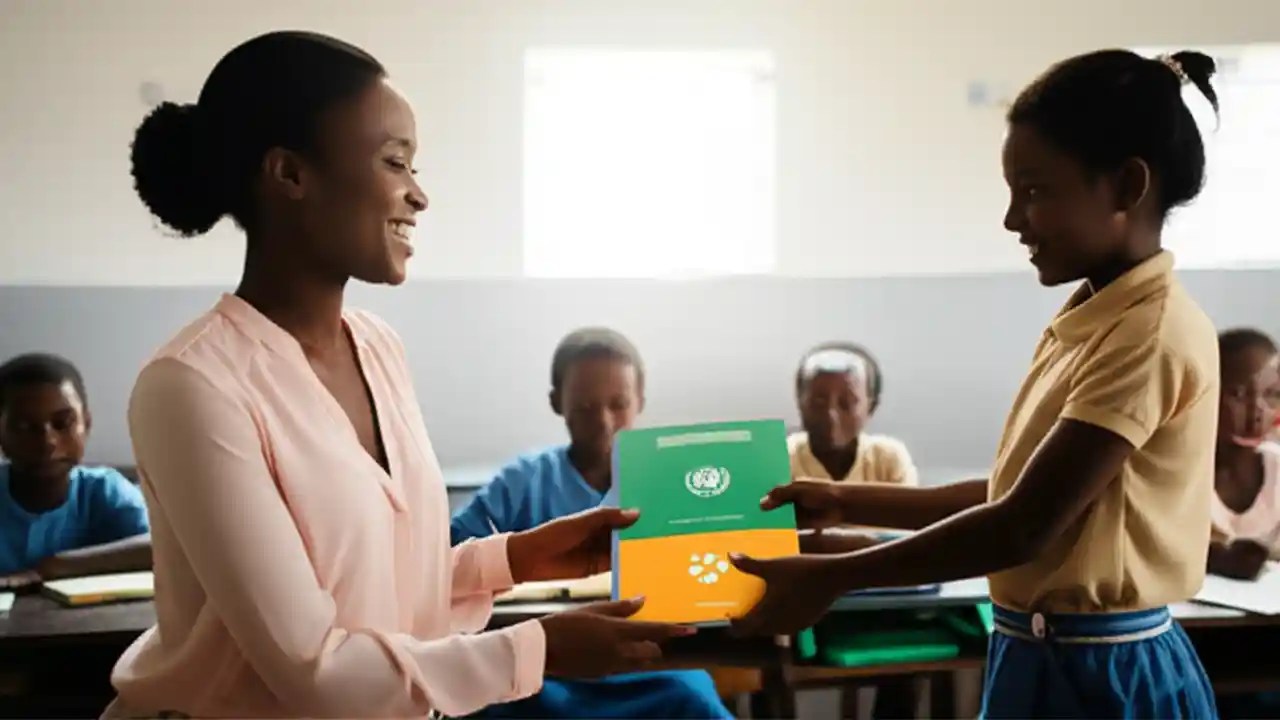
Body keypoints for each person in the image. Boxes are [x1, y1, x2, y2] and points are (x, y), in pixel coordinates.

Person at [106, 31, 690, 719]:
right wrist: (540, 650)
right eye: (395, 162)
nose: (418, 197)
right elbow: (314, 669)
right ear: (290, 175)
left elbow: (377, 591)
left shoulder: (378, 347)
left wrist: (517, 559)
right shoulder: (192, 386)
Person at [729, 49, 1222, 719]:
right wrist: (845, 501)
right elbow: (1016, 496)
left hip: (1108, 672)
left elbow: (1021, 527)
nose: (1013, 219)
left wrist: (835, 577)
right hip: (1037, 653)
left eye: (1036, 190)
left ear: (1127, 186)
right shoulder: (1087, 320)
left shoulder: (1149, 334)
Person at [451, 327, 732, 719]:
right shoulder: (523, 481)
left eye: (618, 404)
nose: (603, 421)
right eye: (585, 408)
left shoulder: (670, 480)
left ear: (641, 401)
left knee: (693, 697)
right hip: (545, 664)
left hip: (643, 664)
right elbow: (449, 558)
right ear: (556, 403)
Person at [0, 353, 150, 588]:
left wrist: (55, 566)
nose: (47, 441)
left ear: (86, 424)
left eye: (63, 424)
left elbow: (158, 548)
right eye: (24, 427)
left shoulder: (104, 490)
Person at [788, 342, 917, 485]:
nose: (831, 415)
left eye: (846, 403)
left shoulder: (887, 460)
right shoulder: (780, 459)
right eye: (819, 402)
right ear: (800, 402)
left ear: (871, 406)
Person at [1208, 329, 1280, 580]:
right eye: (1238, 394)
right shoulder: (1176, 472)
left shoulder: (1277, 467)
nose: (1257, 411)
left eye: (1272, 394)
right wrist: (1216, 559)